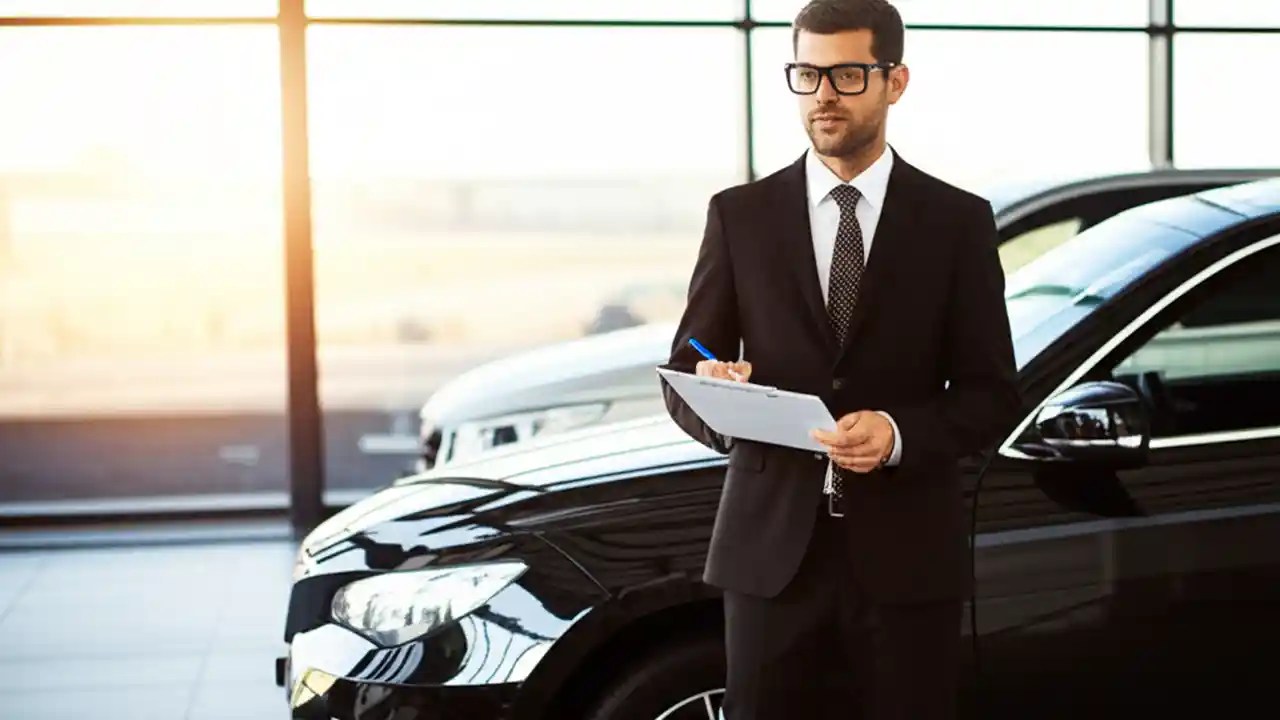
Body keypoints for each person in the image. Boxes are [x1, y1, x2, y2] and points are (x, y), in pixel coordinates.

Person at [657, 1, 1022, 717]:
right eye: (807, 73)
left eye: (848, 73)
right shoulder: (741, 216)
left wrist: (898, 432)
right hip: (770, 558)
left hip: (909, 560)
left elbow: (990, 392)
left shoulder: (956, 221)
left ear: (896, 81)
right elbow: (690, 359)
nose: (824, 92)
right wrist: (714, 389)